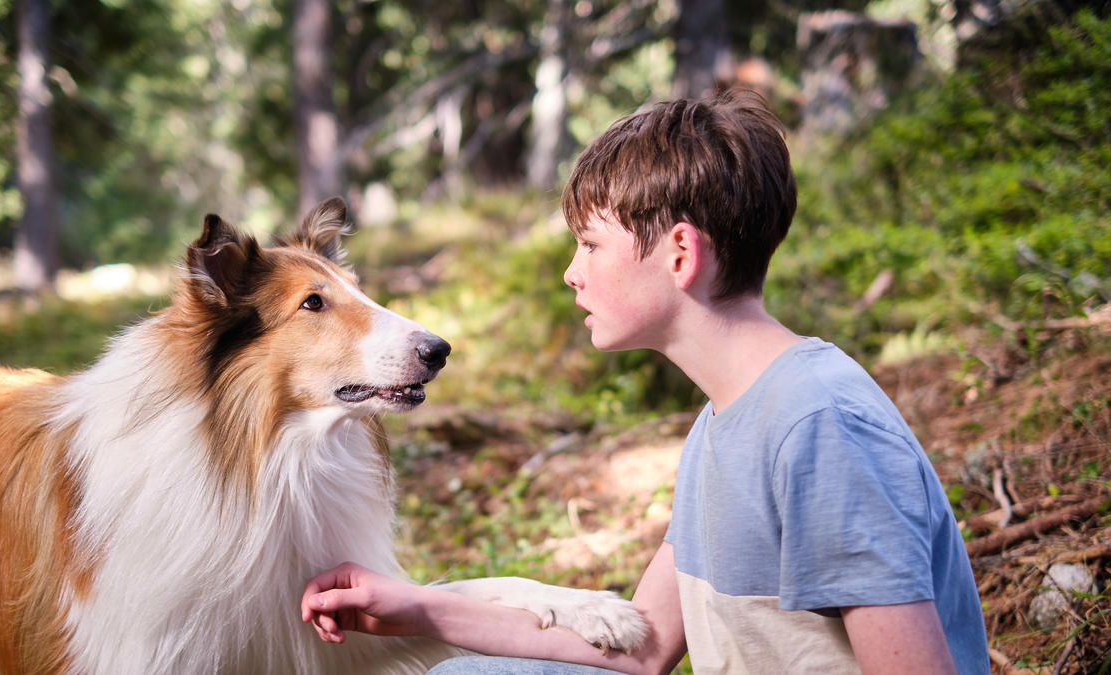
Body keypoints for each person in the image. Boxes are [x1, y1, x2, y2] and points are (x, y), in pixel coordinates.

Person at [300, 88, 990, 675]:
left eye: (591, 244)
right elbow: (644, 646)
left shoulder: (819, 425)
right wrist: (414, 606)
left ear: (681, 253)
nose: (572, 272)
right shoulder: (726, 418)